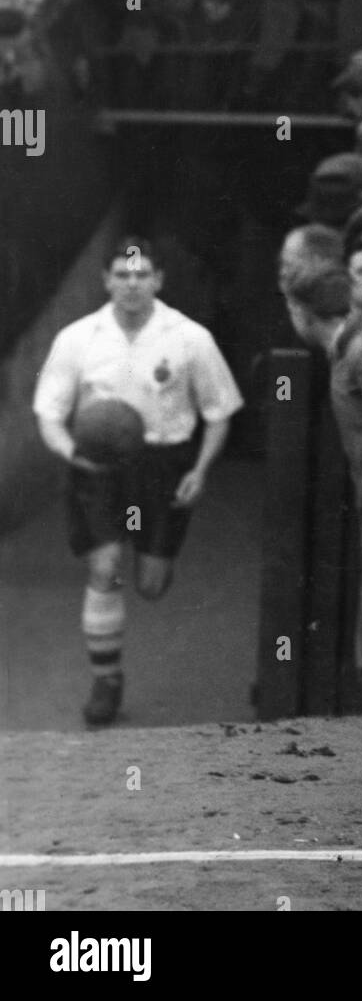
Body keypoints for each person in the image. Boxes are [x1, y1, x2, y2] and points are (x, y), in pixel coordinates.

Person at [32, 237, 244, 728]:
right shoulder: (77, 338)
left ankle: (142, 579)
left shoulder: (190, 338)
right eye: (122, 275)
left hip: (162, 466)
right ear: (107, 280)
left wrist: (199, 471)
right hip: (97, 470)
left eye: (141, 274)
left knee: (150, 584)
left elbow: (218, 413)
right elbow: (49, 412)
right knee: (105, 569)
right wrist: (72, 454)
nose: (132, 284)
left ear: (158, 280)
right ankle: (106, 681)